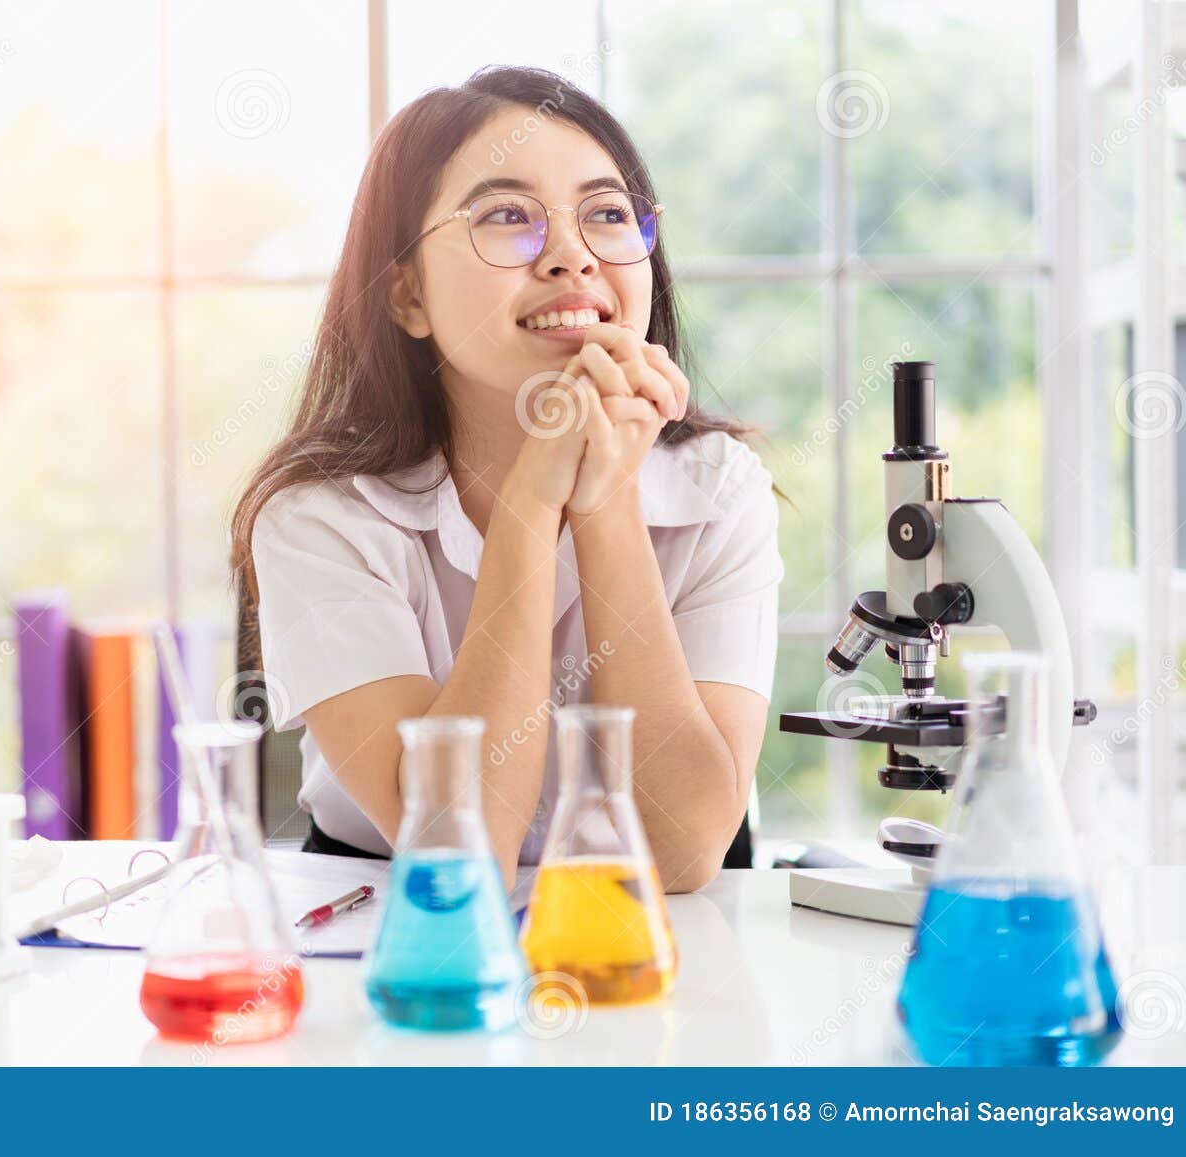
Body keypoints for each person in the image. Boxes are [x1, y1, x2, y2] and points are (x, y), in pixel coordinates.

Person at [230, 66, 782, 892]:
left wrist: (605, 501)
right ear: (407, 294)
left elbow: (682, 852)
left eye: (606, 215)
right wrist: (531, 503)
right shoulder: (319, 517)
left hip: (668, 935)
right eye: (508, 218)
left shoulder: (720, 489)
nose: (572, 257)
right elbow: (459, 854)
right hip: (395, 920)